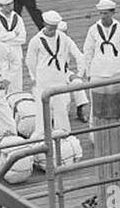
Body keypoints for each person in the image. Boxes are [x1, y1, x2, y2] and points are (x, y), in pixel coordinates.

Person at [27, 11, 84, 139]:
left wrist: (80, 72)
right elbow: (30, 61)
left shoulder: (63, 38)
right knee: (42, 110)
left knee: (61, 108)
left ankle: (64, 135)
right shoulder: (36, 40)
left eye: (54, 28)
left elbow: (77, 53)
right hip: (44, 78)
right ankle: (42, 136)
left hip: (59, 78)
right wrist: (35, 77)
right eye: (50, 28)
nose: (52, 31)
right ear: (44, 24)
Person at [82, 0, 120, 82]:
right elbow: (88, 51)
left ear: (112, 13)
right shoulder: (93, 29)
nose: (103, 16)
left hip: (116, 72)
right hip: (97, 72)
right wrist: (88, 72)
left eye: (105, 14)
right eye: (101, 13)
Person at [0, 0, 28, 93]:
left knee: (17, 83)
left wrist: (6, 39)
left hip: (16, 53)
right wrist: (13, 34)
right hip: (2, 55)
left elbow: (22, 38)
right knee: (2, 82)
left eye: (11, 4)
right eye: (7, 5)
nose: (10, 8)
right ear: (1, 5)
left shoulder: (17, 18)